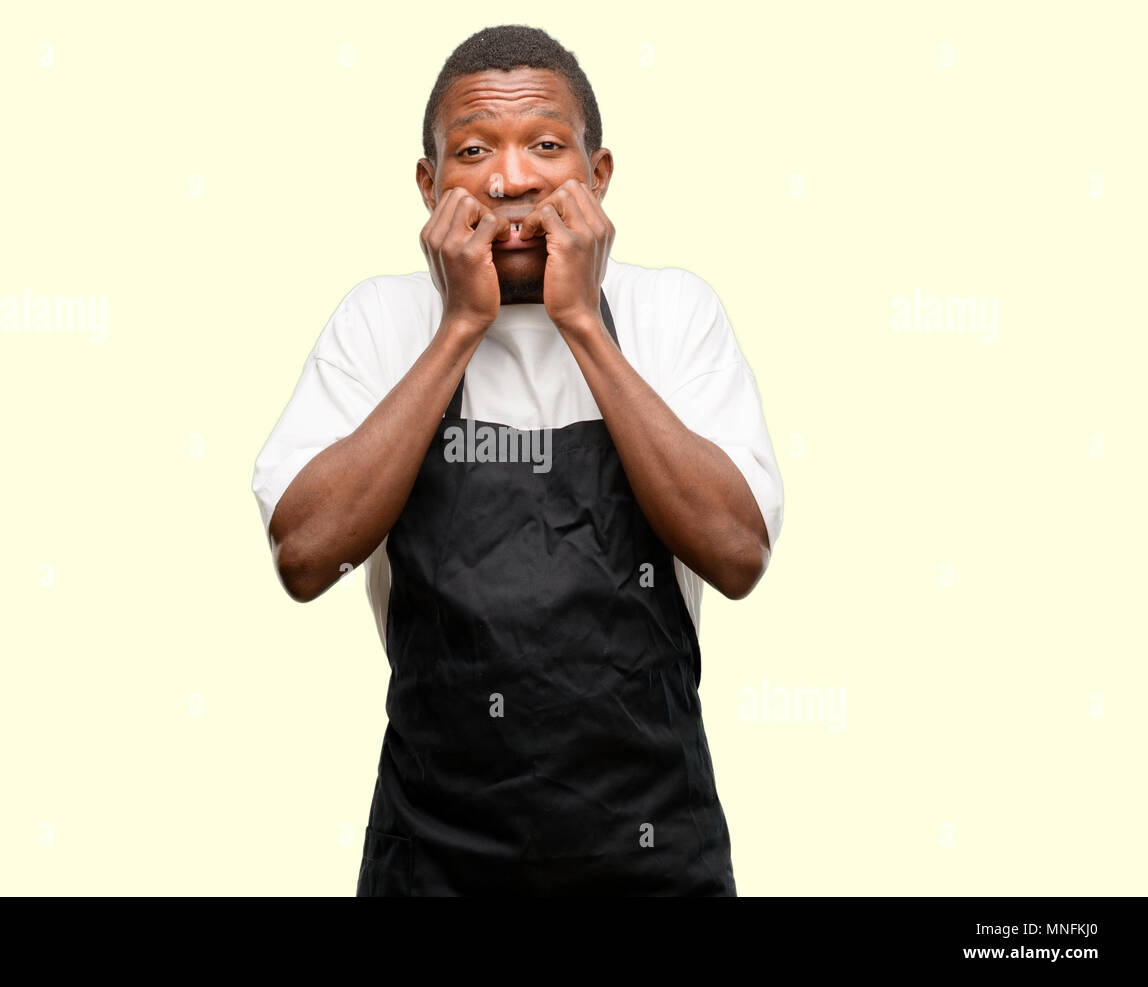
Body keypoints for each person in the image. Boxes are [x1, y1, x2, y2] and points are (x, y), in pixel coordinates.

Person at [252, 24, 784, 896]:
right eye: (472, 150)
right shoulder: (380, 323)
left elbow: (737, 552)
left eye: (545, 145)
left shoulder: (672, 314)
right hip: (433, 857)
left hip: (652, 857)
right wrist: (461, 324)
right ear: (428, 185)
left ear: (597, 174)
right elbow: (305, 555)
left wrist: (581, 322)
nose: (509, 179)